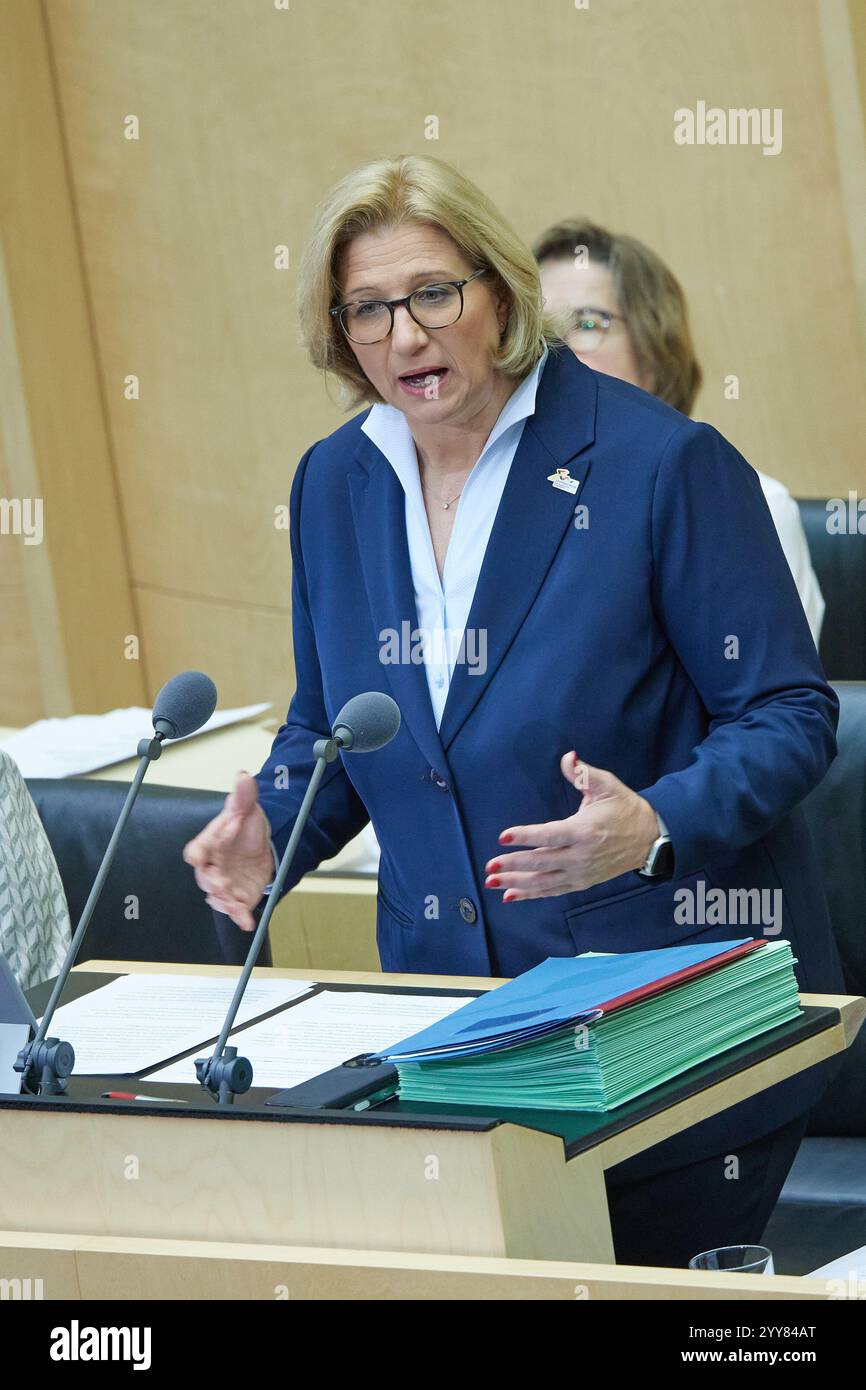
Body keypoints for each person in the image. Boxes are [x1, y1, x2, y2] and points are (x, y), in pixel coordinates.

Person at [183, 154, 844, 1266]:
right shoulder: (334, 482)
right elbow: (340, 725)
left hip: (659, 1033)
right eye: (366, 310)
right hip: (452, 1041)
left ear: (498, 293)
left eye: (433, 294)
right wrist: (275, 826)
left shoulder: (657, 462)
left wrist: (656, 821)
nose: (405, 336)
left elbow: (786, 710)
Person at [535, 218, 825, 645]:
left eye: (588, 323)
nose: (555, 348)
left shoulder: (749, 505)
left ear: (654, 352)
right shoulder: (500, 502)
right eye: (538, 328)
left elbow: (774, 704)